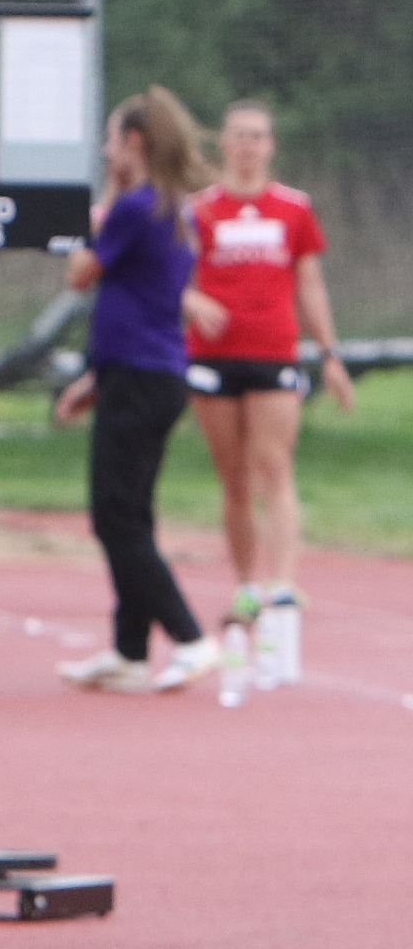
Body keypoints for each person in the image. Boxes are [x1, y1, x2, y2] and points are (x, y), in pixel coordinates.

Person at [54, 86, 220, 693]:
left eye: (110, 140)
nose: (103, 152)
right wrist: (96, 378)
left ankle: (190, 636)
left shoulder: (136, 207)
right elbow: (148, 300)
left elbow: (80, 275)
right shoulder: (175, 210)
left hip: (143, 377)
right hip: (142, 372)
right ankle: (128, 651)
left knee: (114, 517)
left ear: (133, 143)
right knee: (133, 516)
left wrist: (105, 198)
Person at [184, 100, 355, 643]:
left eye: (258, 136)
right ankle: (247, 583)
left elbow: (309, 282)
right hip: (213, 357)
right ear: (223, 144)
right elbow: (171, 276)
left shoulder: (293, 210)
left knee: (273, 466)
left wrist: (329, 353)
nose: (247, 146)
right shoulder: (200, 210)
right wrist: (192, 303)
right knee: (233, 478)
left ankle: (283, 583)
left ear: (270, 146)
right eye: (238, 136)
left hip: (274, 353)